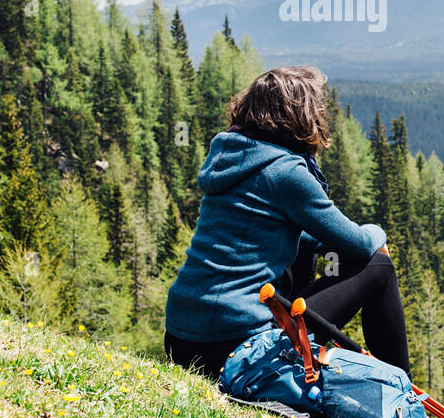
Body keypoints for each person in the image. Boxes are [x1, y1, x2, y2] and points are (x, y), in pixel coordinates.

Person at [164, 65, 410, 380]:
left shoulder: (231, 153)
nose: (321, 115)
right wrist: (378, 233)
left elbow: (266, 229)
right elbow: (361, 245)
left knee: (306, 251)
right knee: (378, 269)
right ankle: (404, 395)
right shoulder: (286, 172)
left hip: (181, 340)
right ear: (300, 115)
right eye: (318, 108)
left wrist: (321, 241)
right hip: (233, 345)